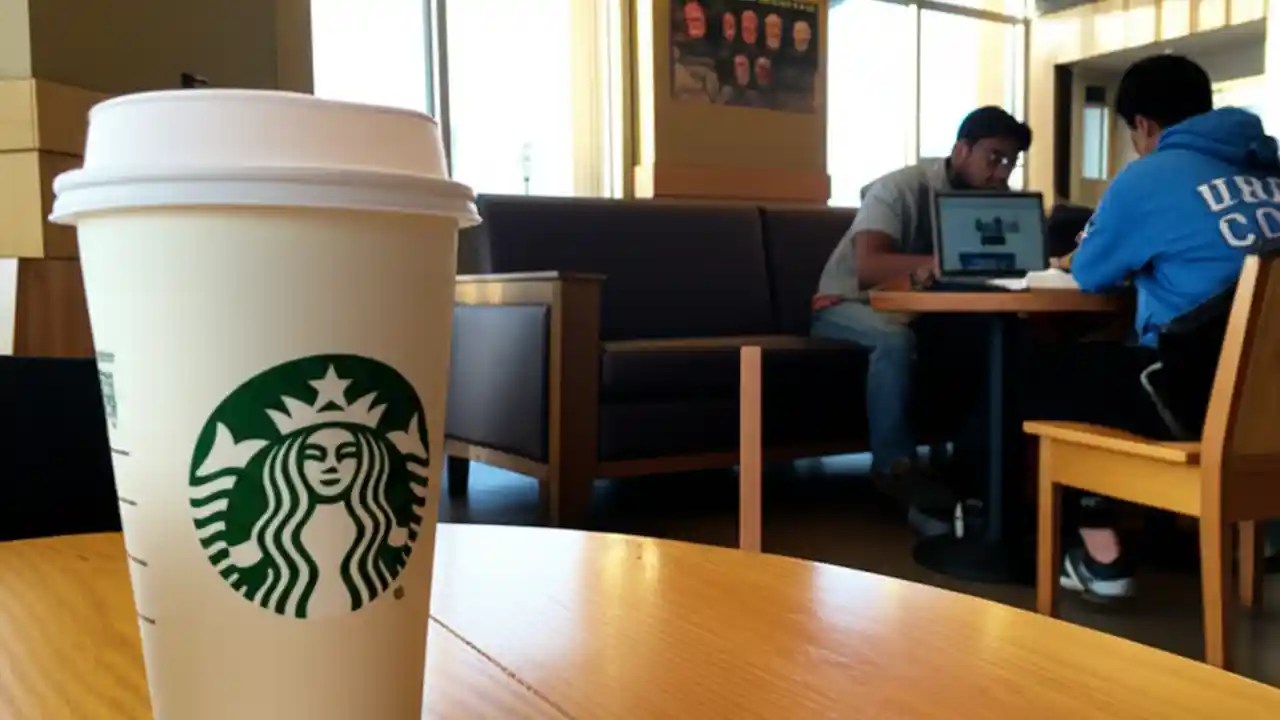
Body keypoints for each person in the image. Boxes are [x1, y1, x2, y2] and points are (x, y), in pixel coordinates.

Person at [1031, 54, 1280, 599]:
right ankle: (1229, 537)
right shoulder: (1270, 169)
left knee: (1052, 372)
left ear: (1143, 125)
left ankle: (1103, 558)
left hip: (1198, 395)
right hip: (1269, 408)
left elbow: (1091, 273)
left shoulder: (1149, 176)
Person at [812, 107, 1031, 524]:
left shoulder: (989, 199)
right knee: (893, 339)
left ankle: (980, 471)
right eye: (995, 158)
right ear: (961, 150)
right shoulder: (898, 189)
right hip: (848, 304)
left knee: (998, 334)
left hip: (919, 310)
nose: (1002, 173)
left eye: (1010, 162)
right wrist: (940, 263)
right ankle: (895, 467)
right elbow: (869, 268)